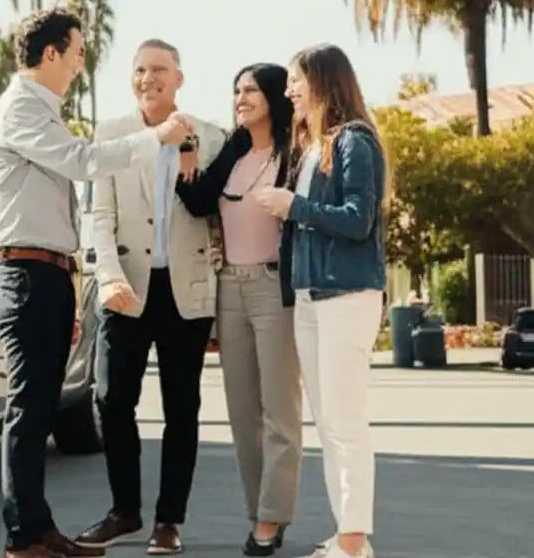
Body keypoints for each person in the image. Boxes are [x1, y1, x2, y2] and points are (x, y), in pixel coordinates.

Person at [0, 10, 196, 558]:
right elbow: (82, 163)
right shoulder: (22, 111)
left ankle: (37, 528)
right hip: (26, 272)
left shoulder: (42, 112)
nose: (81, 64)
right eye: (77, 52)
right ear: (51, 53)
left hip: (48, 272)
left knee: (38, 408)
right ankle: (25, 536)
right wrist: (155, 139)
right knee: (29, 410)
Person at [74, 39, 225, 556]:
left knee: (183, 408)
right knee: (113, 400)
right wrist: (110, 277)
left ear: (179, 78)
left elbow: (215, 215)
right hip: (128, 288)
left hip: (188, 292)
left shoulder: (211, 135)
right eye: (140, 70)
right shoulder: (112, 136)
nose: (148, 78)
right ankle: (124, 512)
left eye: (159, 69)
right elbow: (100, 216)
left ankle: (168, 522)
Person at [251, 44, 388, 558]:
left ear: (322, 82)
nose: (288, 91)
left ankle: (353, 543)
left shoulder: (355, 141)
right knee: (329, 421)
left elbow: (358, 219)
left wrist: (293, 206)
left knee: (345, 420)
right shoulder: (312, 147)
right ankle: (347, 534)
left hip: (346, 296)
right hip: (311, 298)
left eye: (295, 80)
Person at [172, 63, 302, 557]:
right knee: (242, 413)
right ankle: (260, 514)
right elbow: (199, 201)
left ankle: (272, 519)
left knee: (280, 412)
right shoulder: (234, 152)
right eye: (236, 90)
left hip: (274, 288)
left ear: (273, 96)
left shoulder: (295, 155)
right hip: (230, 290)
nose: (240, 97)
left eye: (250, 89)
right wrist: (185, 158)